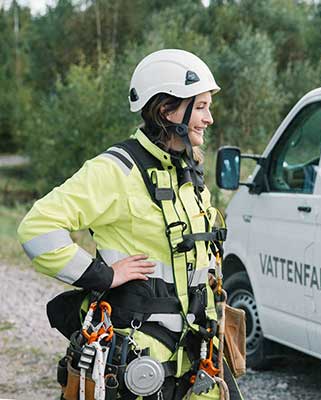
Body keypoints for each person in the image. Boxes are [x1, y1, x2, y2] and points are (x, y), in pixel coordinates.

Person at [17, 49, 243, 399]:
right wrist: (103, 276)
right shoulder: (116, 170)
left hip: (197, 365)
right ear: (167, 110)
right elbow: (36, 229)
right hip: (140, 371)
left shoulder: (189, 171)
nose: (209, 118)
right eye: (200, 107)